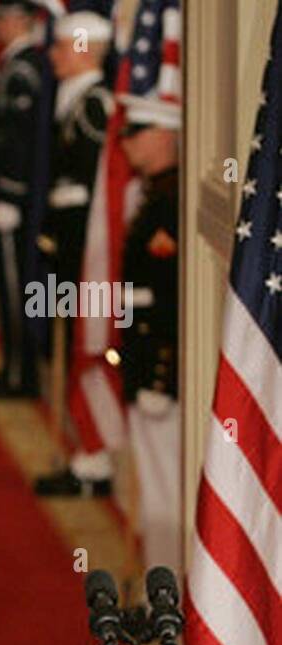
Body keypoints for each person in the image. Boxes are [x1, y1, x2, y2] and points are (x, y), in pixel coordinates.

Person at [32, 11, 115, 496]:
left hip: (87, 249)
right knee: (66, 341)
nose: (54, 55)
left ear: (84, 47)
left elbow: (93, 188)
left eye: (62, 47)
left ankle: (93, 460)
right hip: (68, 243)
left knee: (88, 346)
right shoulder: (77, 100)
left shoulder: (96, 106)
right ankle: (82, 448)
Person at [116, 92, 181, 570]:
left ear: (165, 135)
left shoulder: (170, 203)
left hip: (158, 371)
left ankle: (170, 594)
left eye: (136, 134)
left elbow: (170, 301)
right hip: (140, 364)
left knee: (165, 489)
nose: (126, 144)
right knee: (154, 484)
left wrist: (159, 377)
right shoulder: (153, 195)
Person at [0, 0, 47, 398]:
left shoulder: (24, 69)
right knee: (8, 288)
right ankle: (13, 367)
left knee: (16, 288)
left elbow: (19, 139)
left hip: (13, 200)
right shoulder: (15, 64)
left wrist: (9, 194)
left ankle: (21, 374)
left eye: (5, 19)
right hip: (6, 195)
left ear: (22, 21)